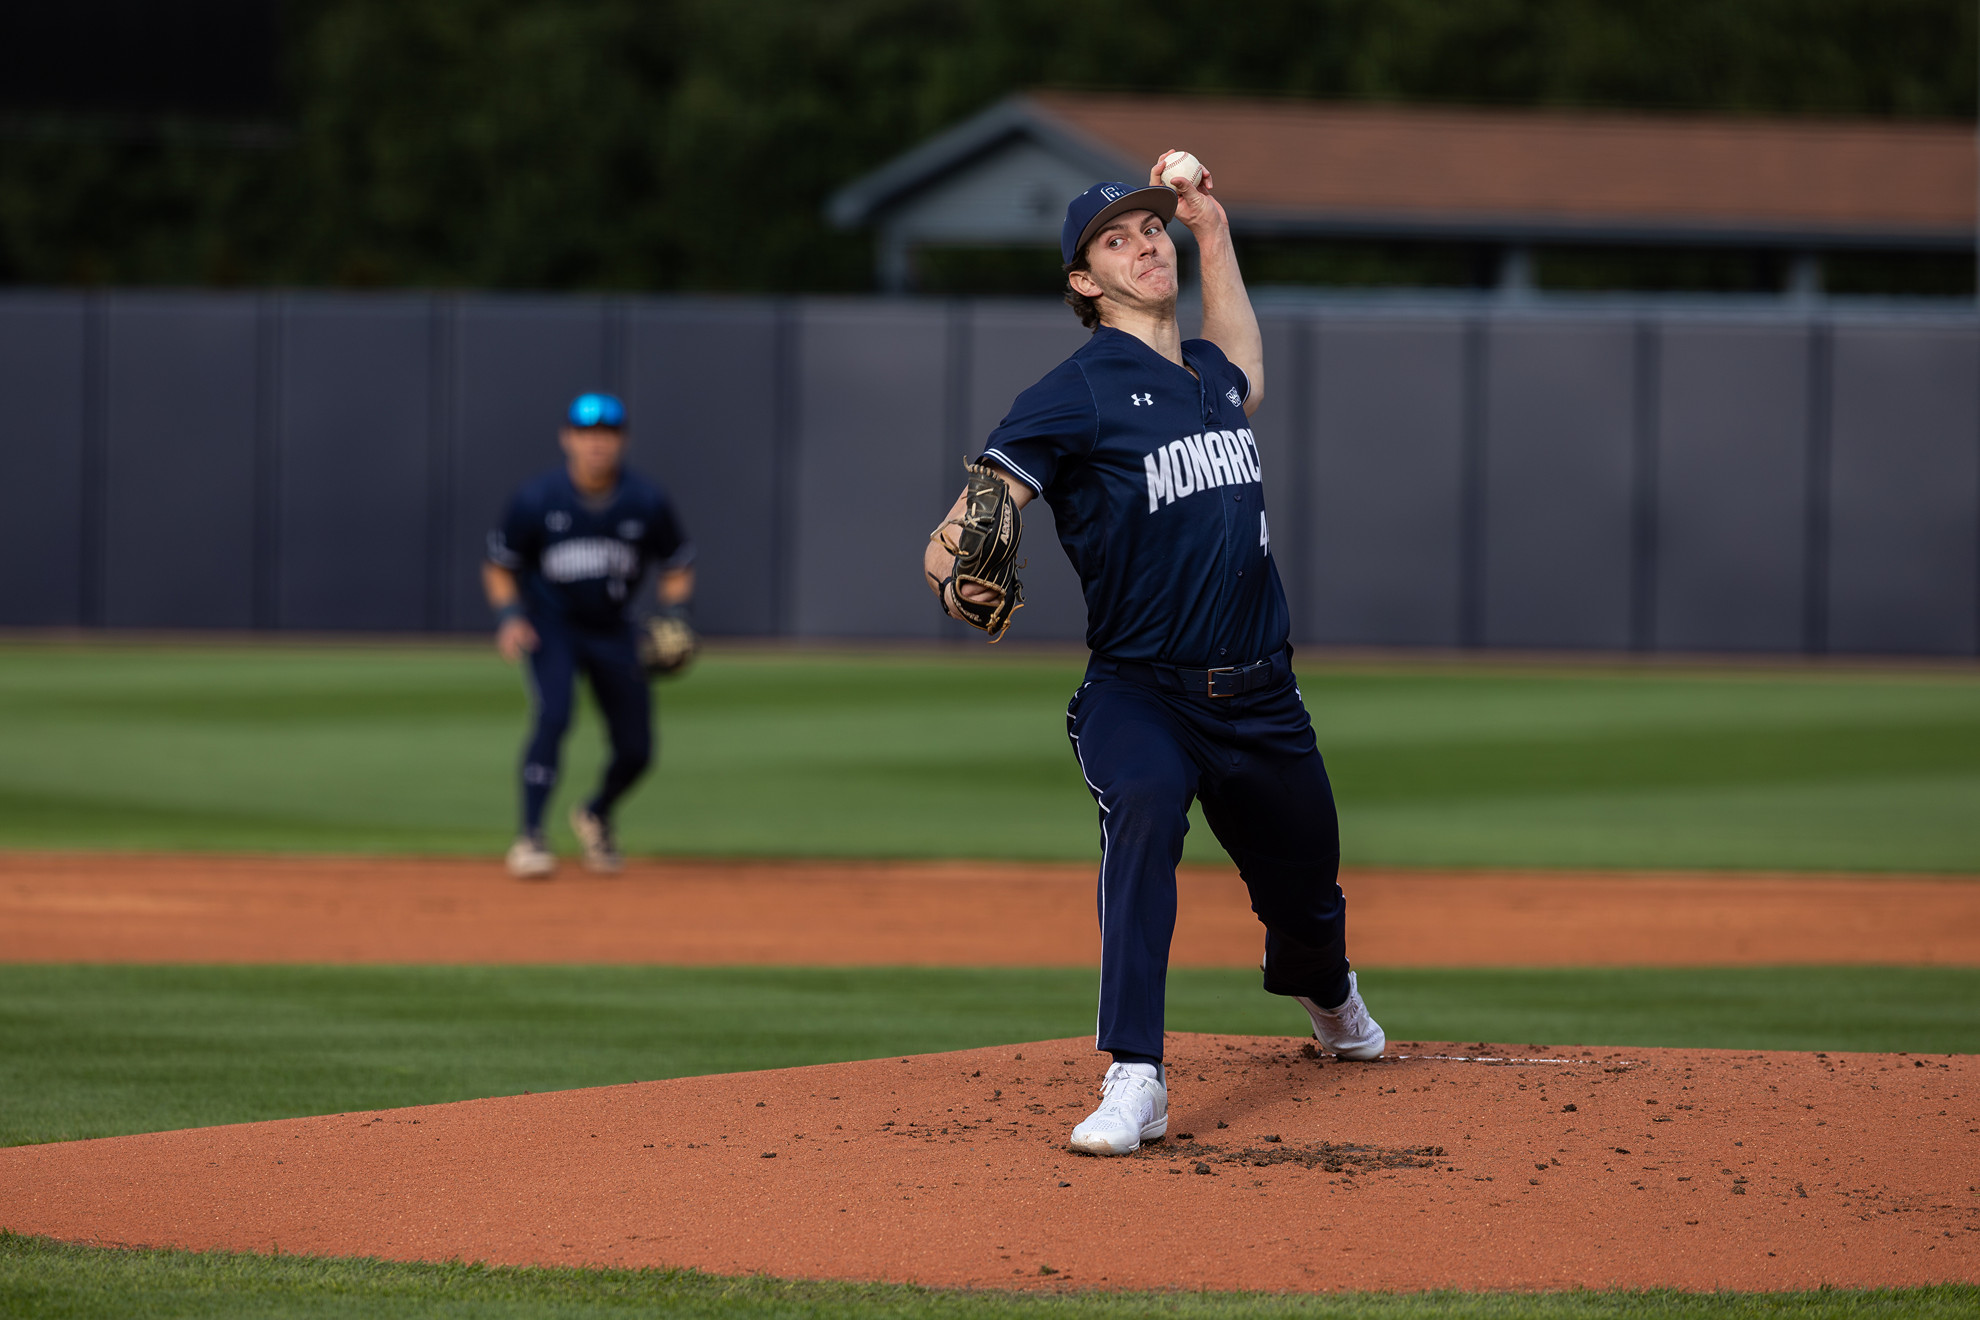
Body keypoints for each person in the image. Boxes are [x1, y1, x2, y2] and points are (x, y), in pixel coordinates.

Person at [922, 156, 1384, 1156]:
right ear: (1085, 282)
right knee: (1141, 812)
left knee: (1304, 895)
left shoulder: (1208, 379)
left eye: (1149, 229)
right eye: (1114, 239)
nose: (1143, 244)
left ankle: (1328, 992)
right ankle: (1136, 1072)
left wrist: (1214, 231)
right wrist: (957, 565)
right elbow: (969, 521)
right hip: (1143, 694)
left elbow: (1247, 362)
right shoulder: (1076, 390)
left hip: (1264, 695)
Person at [483, 392, 694, 879]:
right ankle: (531, 835)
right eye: (586, 434)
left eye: (607, 434)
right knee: (554, 716)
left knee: (637, 749)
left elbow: (678, 565)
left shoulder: (646, 500)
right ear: (567, 439)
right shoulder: (537, 498)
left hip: (616, 629)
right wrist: (511, 614)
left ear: (622, 441)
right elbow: (499, 564)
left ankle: (596, 813)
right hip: (553, 625)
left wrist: (677, 614)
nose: (596, 444)